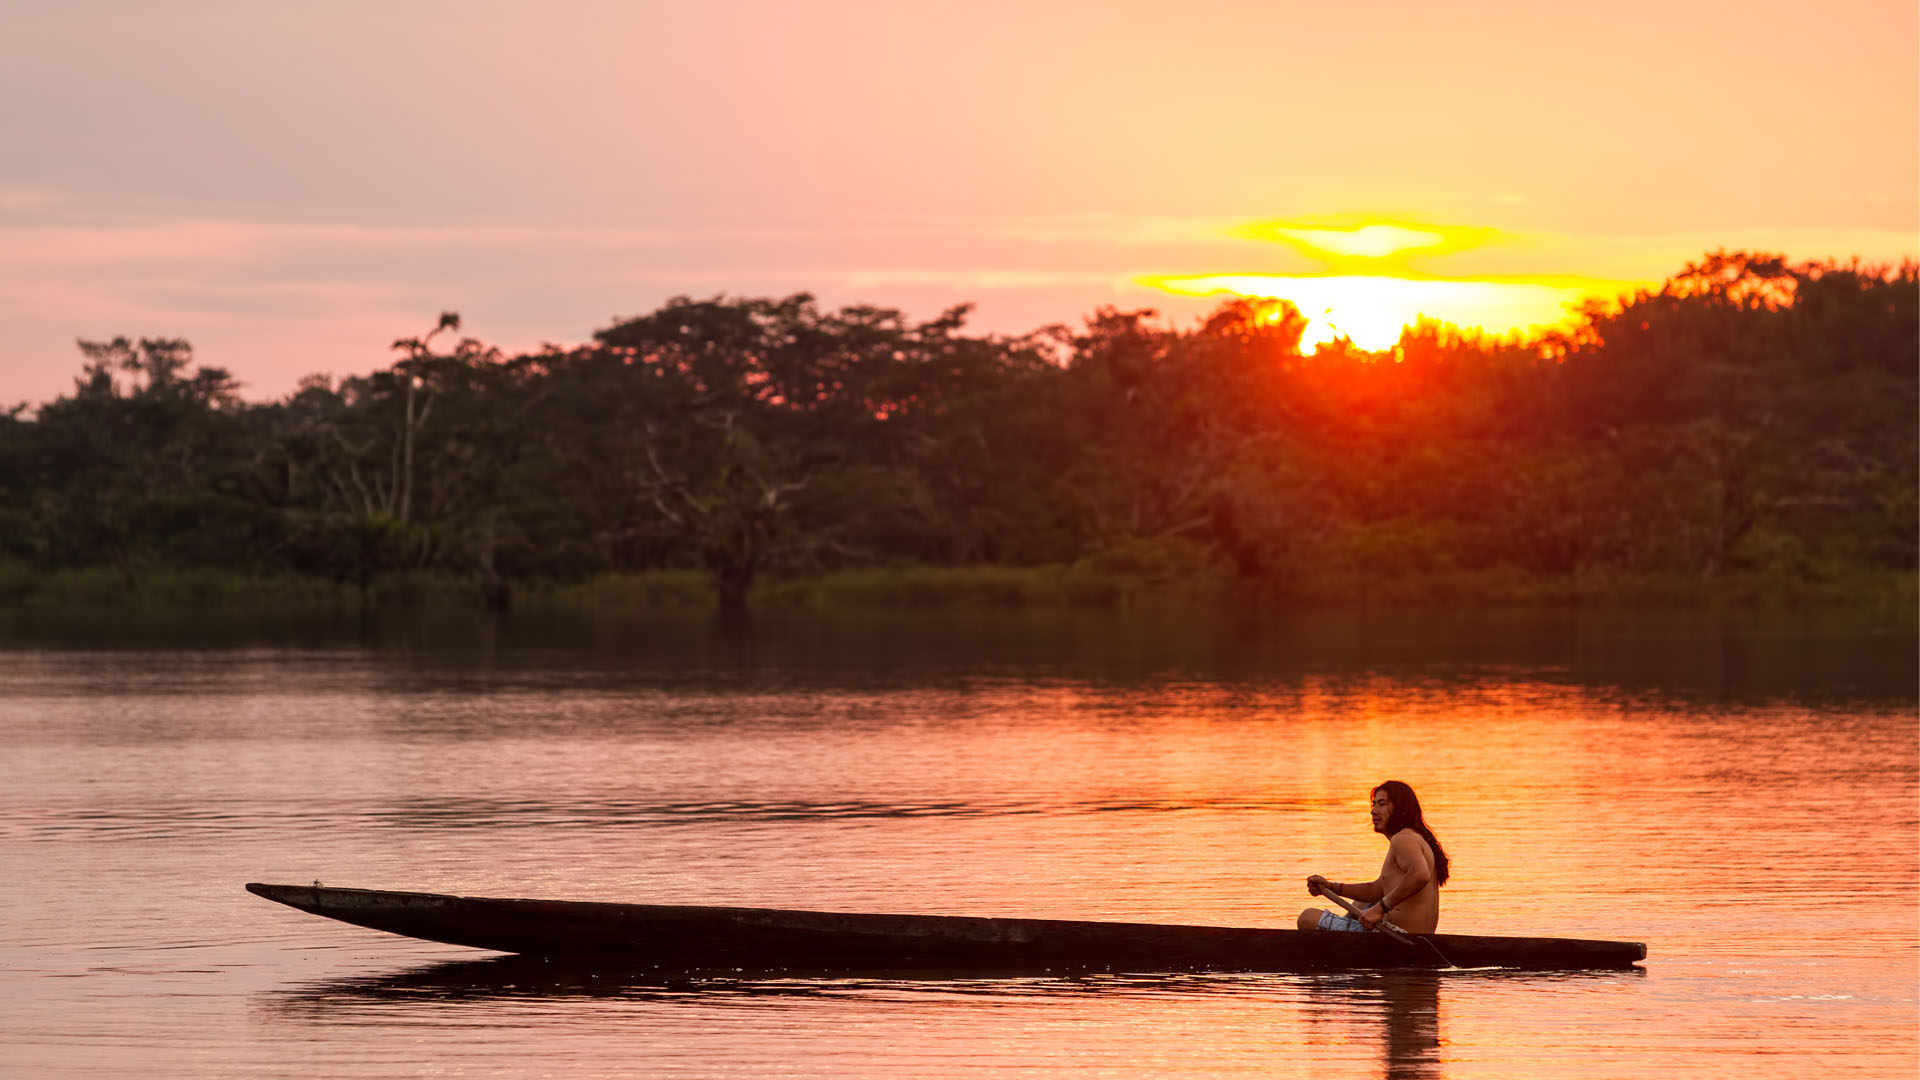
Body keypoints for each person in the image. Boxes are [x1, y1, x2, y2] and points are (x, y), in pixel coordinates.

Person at [1298, 780, 1449, 935]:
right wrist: (1330, 887)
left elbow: (1420, 874)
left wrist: (1380, 909)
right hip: (1419, 937)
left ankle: (1340, 936)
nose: (1373, 811)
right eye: (1374, 804)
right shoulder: (1413, 838)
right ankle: (1342, 934)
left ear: (1402, 809)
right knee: (1363, 902)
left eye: (1381, 804)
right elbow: (1375, 890)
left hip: (1397, 937)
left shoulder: (1403, 838)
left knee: (1307, 918)